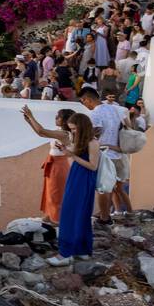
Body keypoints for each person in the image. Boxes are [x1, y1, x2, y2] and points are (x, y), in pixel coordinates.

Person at [45, 113, 100, 264]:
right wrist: (66, 149)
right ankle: (81, 250)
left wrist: (71, 155)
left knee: (70, 213)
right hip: (77, 176)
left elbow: (93, 166)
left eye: (74, 129)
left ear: (82, 126)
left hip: (83, 179)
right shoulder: (83, 141)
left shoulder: (93, 142)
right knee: (80, 213)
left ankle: (65, 253)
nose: (73, 132)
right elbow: (78, 155)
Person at [79, 86, 131, 219]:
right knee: (118, 188)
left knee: (103, 188)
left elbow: (96, 131)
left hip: (105, 154)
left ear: (87, 100)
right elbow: (127, 125)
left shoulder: (95, 113)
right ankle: (129, 212)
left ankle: (104, 217)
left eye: (82, 102)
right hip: (119, 154)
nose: (84, 105)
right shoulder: (115, 108)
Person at [24, 107, 73, 224]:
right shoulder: (60, 131)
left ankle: (56, 220)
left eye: (58, 116)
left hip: (59, 165)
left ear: (65, 120)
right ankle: (49, 216)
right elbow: (41, 134)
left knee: (56, 193)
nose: (55, 118)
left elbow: (42, 131)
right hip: (54, 164)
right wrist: (29, 122)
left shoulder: (64, 134)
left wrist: (31, 116)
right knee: (50, 192)